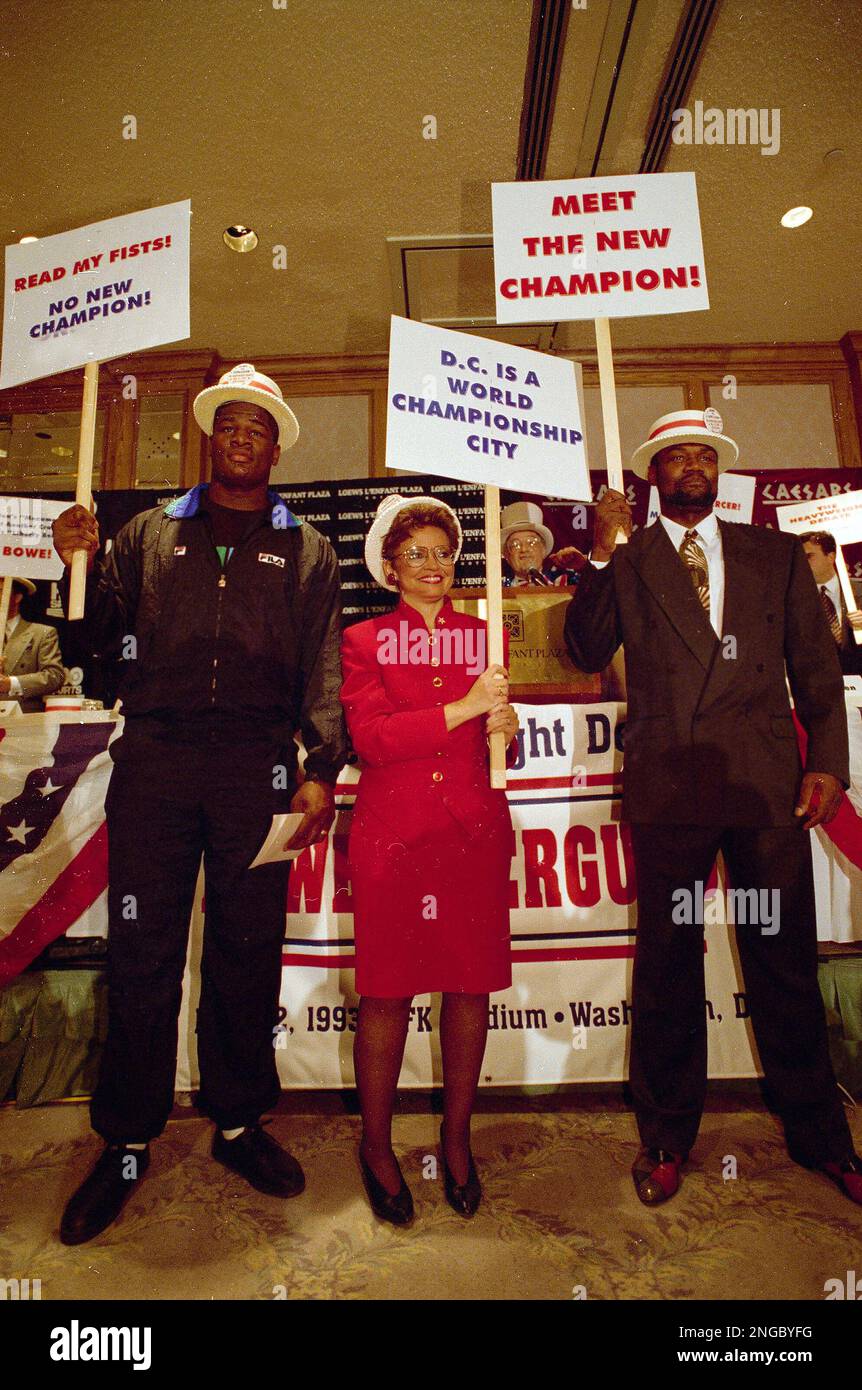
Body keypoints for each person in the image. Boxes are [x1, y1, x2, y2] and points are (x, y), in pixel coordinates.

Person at [51, 363, 348, 1244]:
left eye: (259, 427)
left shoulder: (309, 548)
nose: (243, 438)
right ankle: (129, 1140)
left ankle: (237, 1121)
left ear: (276, 445)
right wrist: (79, 560)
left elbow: (323, 667)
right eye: (229, 426)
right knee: (142, 954)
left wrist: (321, 765)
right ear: (210, 440)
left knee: (247, 950)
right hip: (158, 762)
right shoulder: (148, 533)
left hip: (259, 770)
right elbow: (96, 641)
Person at [564, 408, 862, 1208]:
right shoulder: (627, 562)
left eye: (704, 455)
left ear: (718, 473)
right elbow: (584, 649)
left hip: (765, 786)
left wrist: (829, 765)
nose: (692, 466)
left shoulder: (772, 554)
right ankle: (665, 1137)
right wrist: (602, 549)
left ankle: (820, 1137)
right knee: (666, 964)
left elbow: (818, 672)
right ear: (652, 476)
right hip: (670, 790)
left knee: (783, 961)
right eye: (675, 457)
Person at [340, 494, 519, 1224]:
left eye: (443, 552)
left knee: (468, 987)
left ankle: (456, 1139)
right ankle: (377, 1147)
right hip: (395, 836)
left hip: (472, 832)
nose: (433, 565)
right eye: (416, 553)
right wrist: (466, 707)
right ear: (390, 567)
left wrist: (506, 720)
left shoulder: (485, 639)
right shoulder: (364, 640)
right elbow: (372, 740)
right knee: (386, 993)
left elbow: (499, 735)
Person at [800, 530, 862, 677]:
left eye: (809, 556)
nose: (803, 563)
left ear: (831, 556)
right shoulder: (795, 600)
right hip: (819, 684)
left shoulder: (859, 591)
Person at [0, 577, 65, 710]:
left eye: (1, 591)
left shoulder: (41, 633)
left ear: (17, 597)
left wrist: (11, 684)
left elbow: (54, 676)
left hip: (22, 719)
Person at [500, 500, 585, 587]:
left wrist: (583, 567)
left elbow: (595, 592)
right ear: (507, 555)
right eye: (515, 545)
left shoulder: (565, 581)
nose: (524, 549)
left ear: (543, 549)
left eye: (531, 542)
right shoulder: (497, 591)